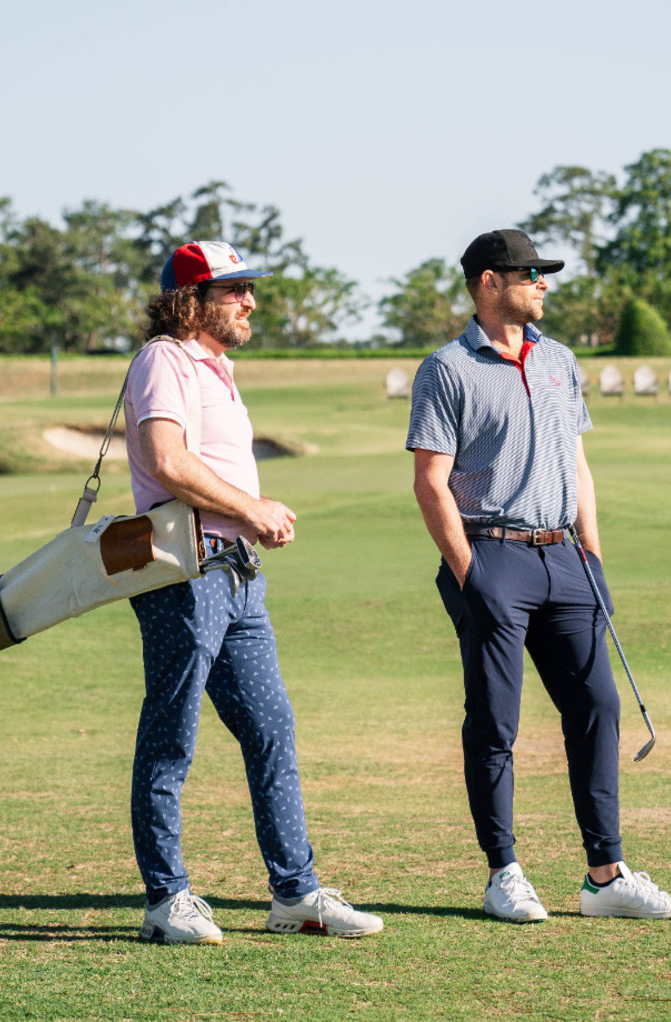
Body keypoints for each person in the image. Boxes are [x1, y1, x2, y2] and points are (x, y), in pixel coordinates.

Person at [407, 228, 671, 925]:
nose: (542, 283)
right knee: (495, 721)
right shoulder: (447, 369)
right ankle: (503, 872)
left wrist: (593, 555)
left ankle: (605, 876)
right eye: (528, 272)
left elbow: (577, 465)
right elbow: (430, 481)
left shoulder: (560, 360)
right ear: (488, 282)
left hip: (565, 557)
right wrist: (470, 574)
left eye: (543, 273)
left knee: (598, 708)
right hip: (492, 554)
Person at [124, 241, 382, 944]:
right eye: (234, 290)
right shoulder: (165, 359)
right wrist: (252, 508)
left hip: (236, 575)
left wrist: (249, 521)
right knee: (171, 735)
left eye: (248, 289)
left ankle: (295, 894)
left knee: (272, 729)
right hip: (186, 574)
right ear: (191, 299)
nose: (250, 302)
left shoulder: (216, 367)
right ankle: (165, 900)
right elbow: (168, 461)